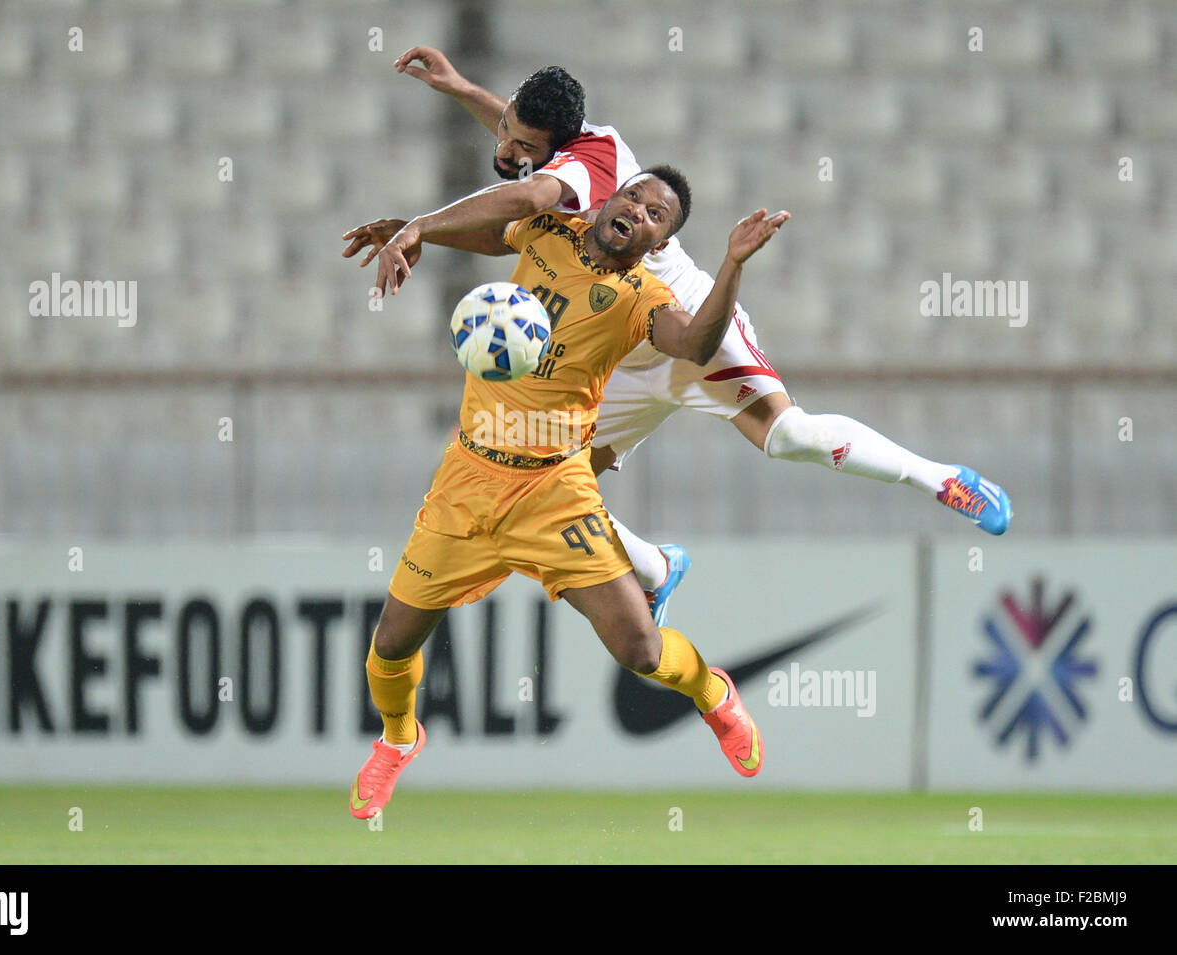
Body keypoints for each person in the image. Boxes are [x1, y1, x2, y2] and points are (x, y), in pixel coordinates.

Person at [343, 49, 1012, 627]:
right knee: (548, 481)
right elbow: (516, 160)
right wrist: (461, 90)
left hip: (684, 319)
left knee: (789, 437)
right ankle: (658, 569)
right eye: (508, 130)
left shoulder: (578, 174)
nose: (507, 151)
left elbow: (523, 203)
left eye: (521, 144)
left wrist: (421, 226)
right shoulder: (569, 141)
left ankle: (943, 479)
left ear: (557, 145)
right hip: (619, 346)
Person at [346, 166, 789, 818]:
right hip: (468, 481)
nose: (638, 210)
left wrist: (733, 264)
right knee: (390, 644)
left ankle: (711, 691)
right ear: (610, 198)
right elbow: (495, 231)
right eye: (634, 195)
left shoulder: (642, 296)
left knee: (639, 648)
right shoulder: (547, 233)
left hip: (556, 489)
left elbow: (695, 345)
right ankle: (398, 738)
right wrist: (420, 232)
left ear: (656, 242)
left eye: (656, 215)